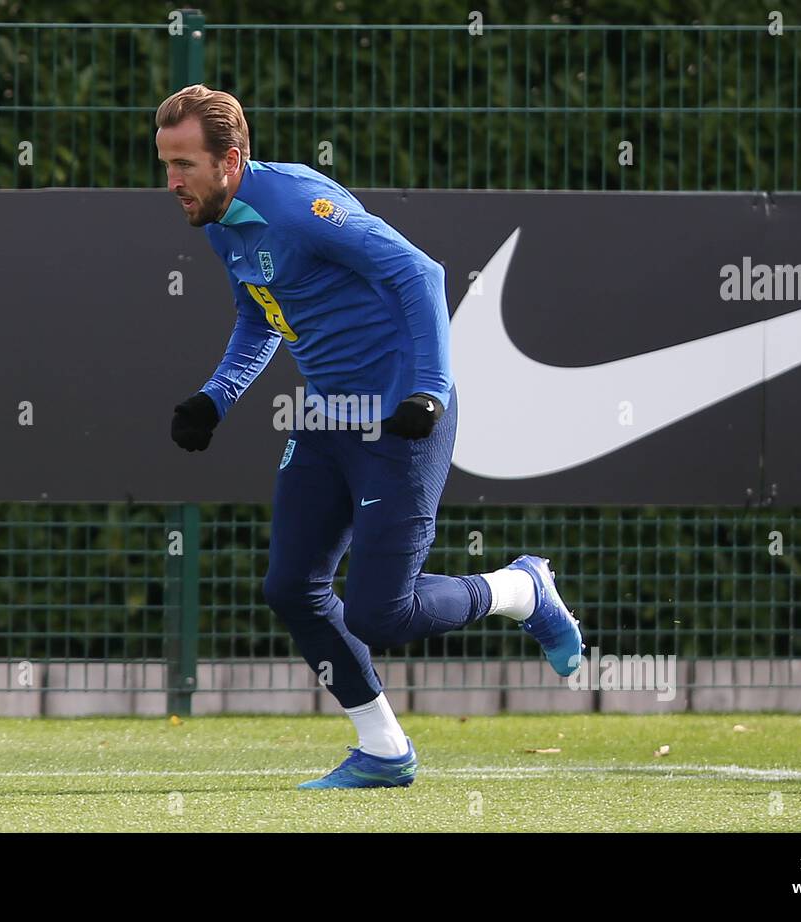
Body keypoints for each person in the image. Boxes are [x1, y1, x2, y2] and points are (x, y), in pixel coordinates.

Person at [156, 84, 583, 789]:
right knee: (292, 587)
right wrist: (217, 398)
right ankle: (384, 749)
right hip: (327, 419)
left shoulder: (297, 204)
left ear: (229, 161)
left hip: (400, 421)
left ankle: (520, 590)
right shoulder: (223, 221)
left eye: (183, 165)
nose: (170, 182)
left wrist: (431, 390)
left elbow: (421, 271)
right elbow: (261, 316)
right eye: (165, 164)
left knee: (381, 614)